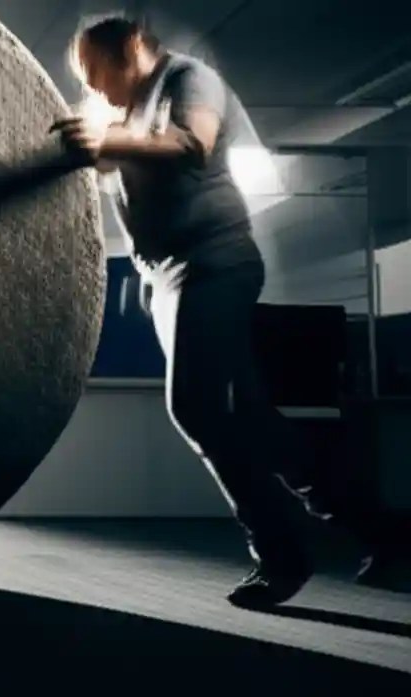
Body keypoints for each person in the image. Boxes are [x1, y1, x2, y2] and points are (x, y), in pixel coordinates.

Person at [55, 15, 405, 608]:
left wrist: (107, 141)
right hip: (167, 278)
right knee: (251, 423)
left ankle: (282, 555)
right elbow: (105, 154)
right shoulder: (128, 113)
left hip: (213, 263)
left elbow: (194, 144)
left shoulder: (188, 81)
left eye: (99, 74)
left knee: (194, 408)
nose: (97, 91)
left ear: (133, 48)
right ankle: (384, 531)